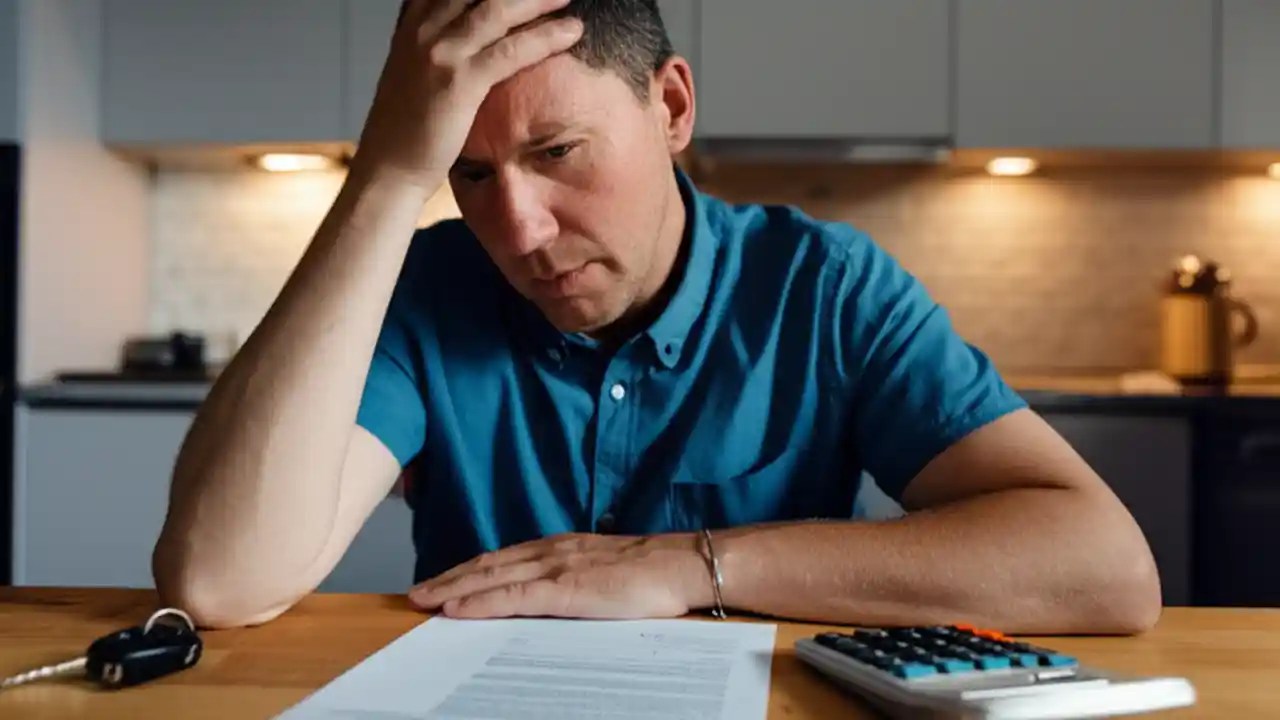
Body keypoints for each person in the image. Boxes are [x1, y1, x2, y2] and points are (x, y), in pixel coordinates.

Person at [152, 0, 1161, 633]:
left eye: (556, 151)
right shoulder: (426, 289)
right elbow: (221, 583)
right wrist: (385, 176)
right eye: (467, 172)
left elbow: (1103, 569)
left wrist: (691, 567)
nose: (518, 228)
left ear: (671, 107)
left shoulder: (825, 290)